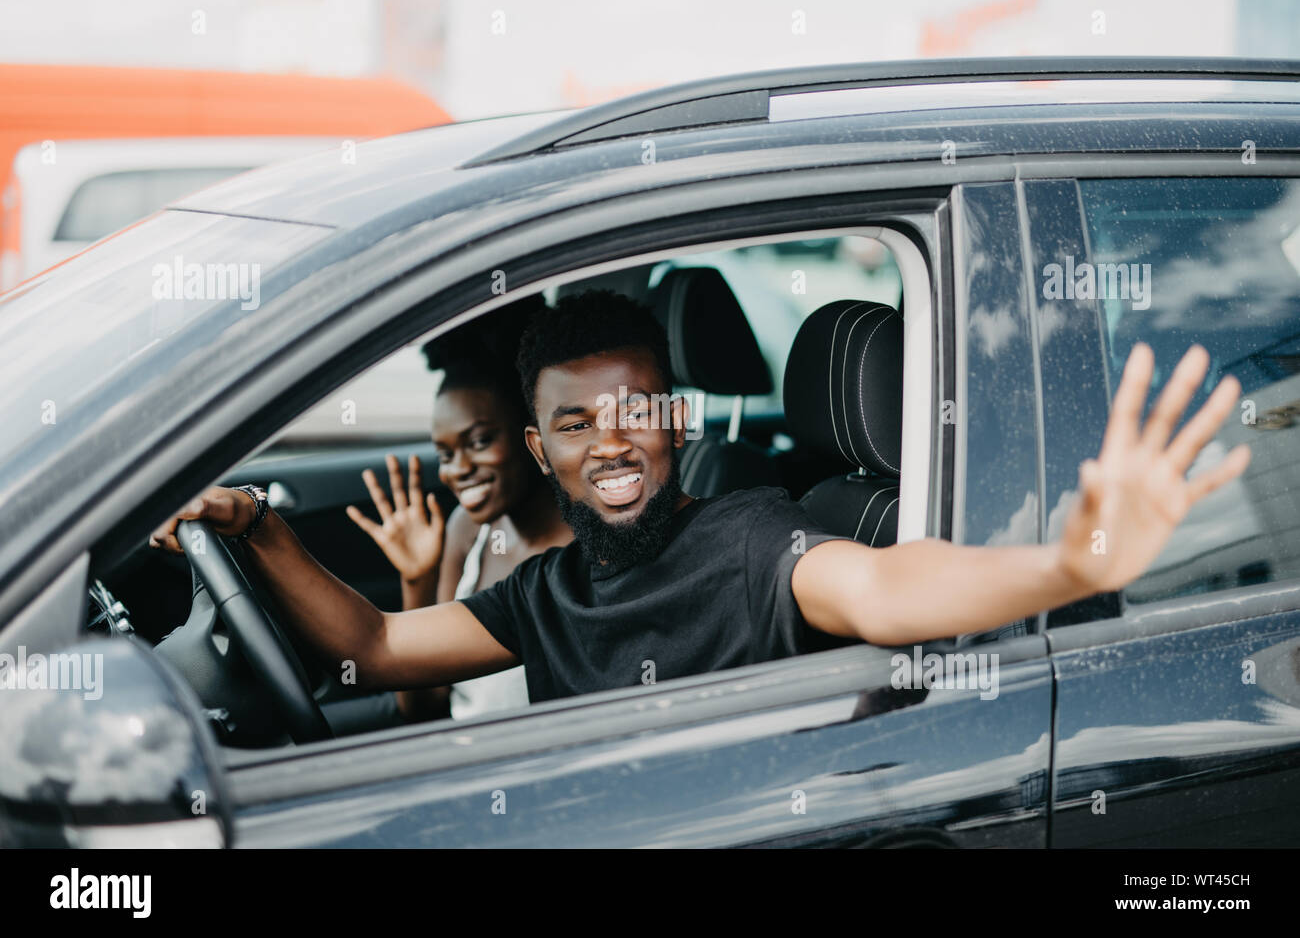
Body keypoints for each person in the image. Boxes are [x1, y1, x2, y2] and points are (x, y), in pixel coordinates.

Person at [151, 290, 1252, 709]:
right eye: (576, 424)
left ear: (674, 420)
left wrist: (1075, 563)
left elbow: (882, 585)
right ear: (542, 445)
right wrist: (260, 527)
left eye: (636, 411)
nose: (611, 441)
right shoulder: (550, 589)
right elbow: (382, 646)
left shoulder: (747, 536)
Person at [345, 339, 572, 721]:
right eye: (446, 454)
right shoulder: (467, 531)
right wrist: (417, 579)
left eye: (480, 441)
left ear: (531, 438)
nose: (458, 469)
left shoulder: (582, 550)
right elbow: (423, 703)